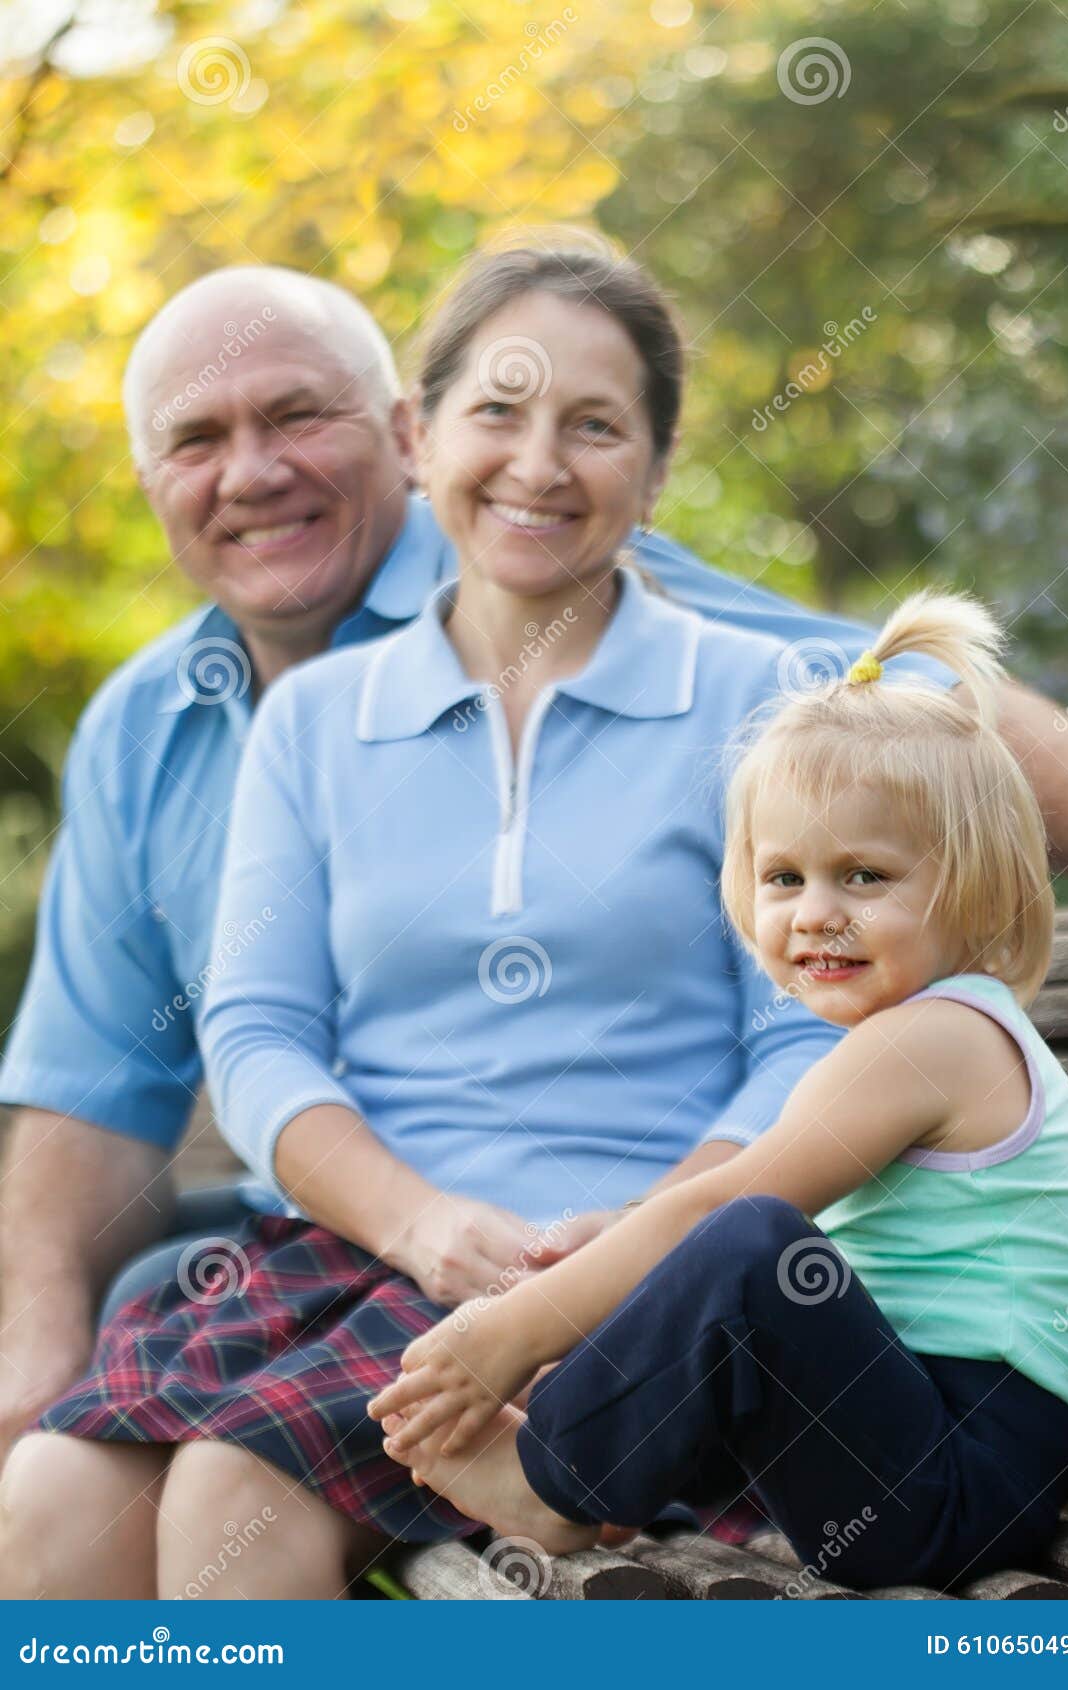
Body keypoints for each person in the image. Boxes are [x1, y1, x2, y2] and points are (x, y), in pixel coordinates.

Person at [0, 243, 962, 1600]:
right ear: (421, 437)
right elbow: (260, 1032)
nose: (538, 464)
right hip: (361, 1252)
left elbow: (817, 1034)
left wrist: (637, 1237)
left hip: (650, 1272)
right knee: (48, 1495)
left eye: (595, 424)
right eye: (498, 413)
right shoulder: (318, 719)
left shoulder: (769, 698)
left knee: (234, 1485)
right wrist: (422, 1223)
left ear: (657, 463)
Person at [368, 587, 1068, 1592]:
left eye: (863, 876)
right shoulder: (897, 1043)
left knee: (751, 1239)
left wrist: (515, 1332)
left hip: (954, 1485)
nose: (816, 914)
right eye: (783, 878)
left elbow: (733, 1212)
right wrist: (630, 1252)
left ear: (973, 886)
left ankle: (549, 1484)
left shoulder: (938, 1039)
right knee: (735, 1250)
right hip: (907, 1448)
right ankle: (586, 1463)